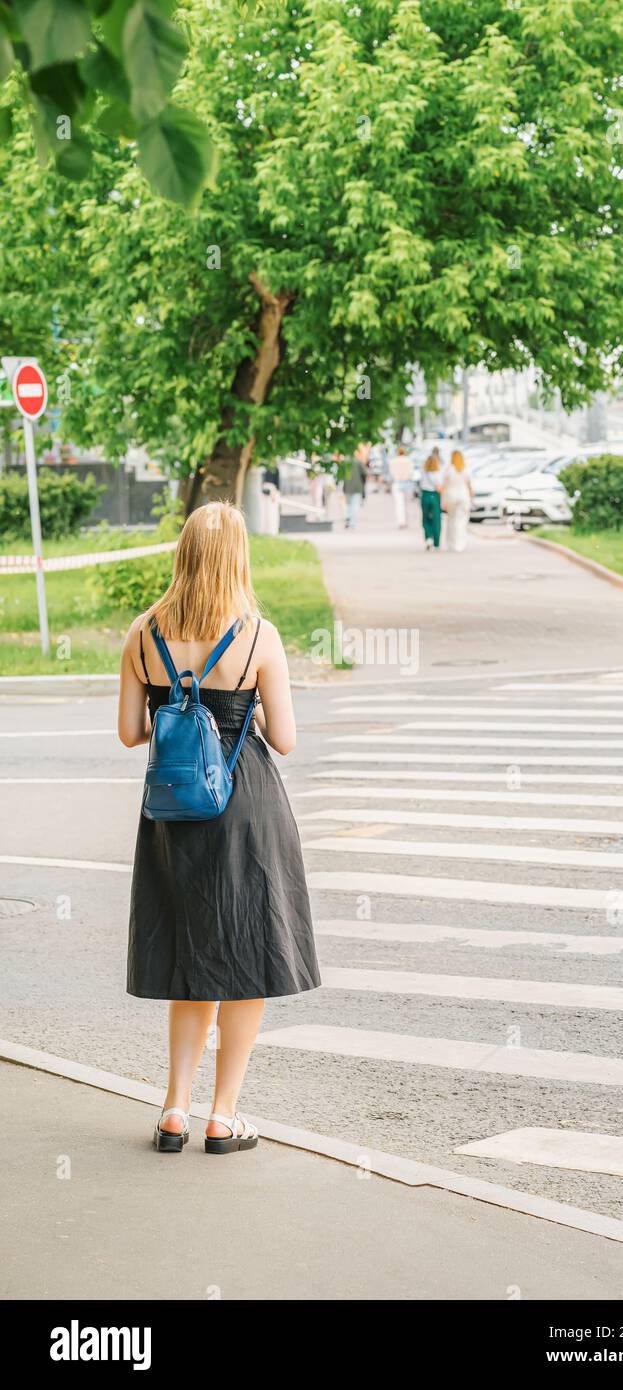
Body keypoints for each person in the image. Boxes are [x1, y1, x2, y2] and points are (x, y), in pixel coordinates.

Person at [118, 501, 320, 1155]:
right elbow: (284, 740)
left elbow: (130, 734)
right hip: (244, 810)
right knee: (247, 959)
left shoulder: (141, 633)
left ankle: (172, 1109)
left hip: (173, 817)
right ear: (237, 558)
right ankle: (222, 1115)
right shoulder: (258, 636)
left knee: (189, 959)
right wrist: (235, 713)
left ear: (183, 554)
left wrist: (177, 712)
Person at [442, 449, 474, 551]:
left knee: (451, 521)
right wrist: (472, 498)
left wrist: (442, 500)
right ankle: (460, 544)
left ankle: (452, 544)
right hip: (463, 497)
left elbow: (444, 486)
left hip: (451, 497)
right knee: (462, 521)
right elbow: (469, 486)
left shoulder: (448, 470)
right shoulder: (465, 469)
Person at [420, 450, 443, 550]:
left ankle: (428, 537)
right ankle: (436, 542)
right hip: (434, 495)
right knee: (436, 519)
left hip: (425, 494)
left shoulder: (423, 471)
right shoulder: (437, 473)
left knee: (426, 518)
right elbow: (439, 487)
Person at [389, 445, 412, 528]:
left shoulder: (393, 461)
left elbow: (391, 473)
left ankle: (401, 522)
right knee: (406, 504)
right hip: (407, 483)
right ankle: (405, 521)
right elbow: (411, 472)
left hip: (397, 483)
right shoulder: (408, 460)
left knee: (399, 504)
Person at [343, 451, 368, 529]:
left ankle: (348, 518)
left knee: (348, 504)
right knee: (355, 505)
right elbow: (365, 473)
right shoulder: (359, 462)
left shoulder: (344, 462)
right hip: (358, 486)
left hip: (347, 486)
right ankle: (352, 523)